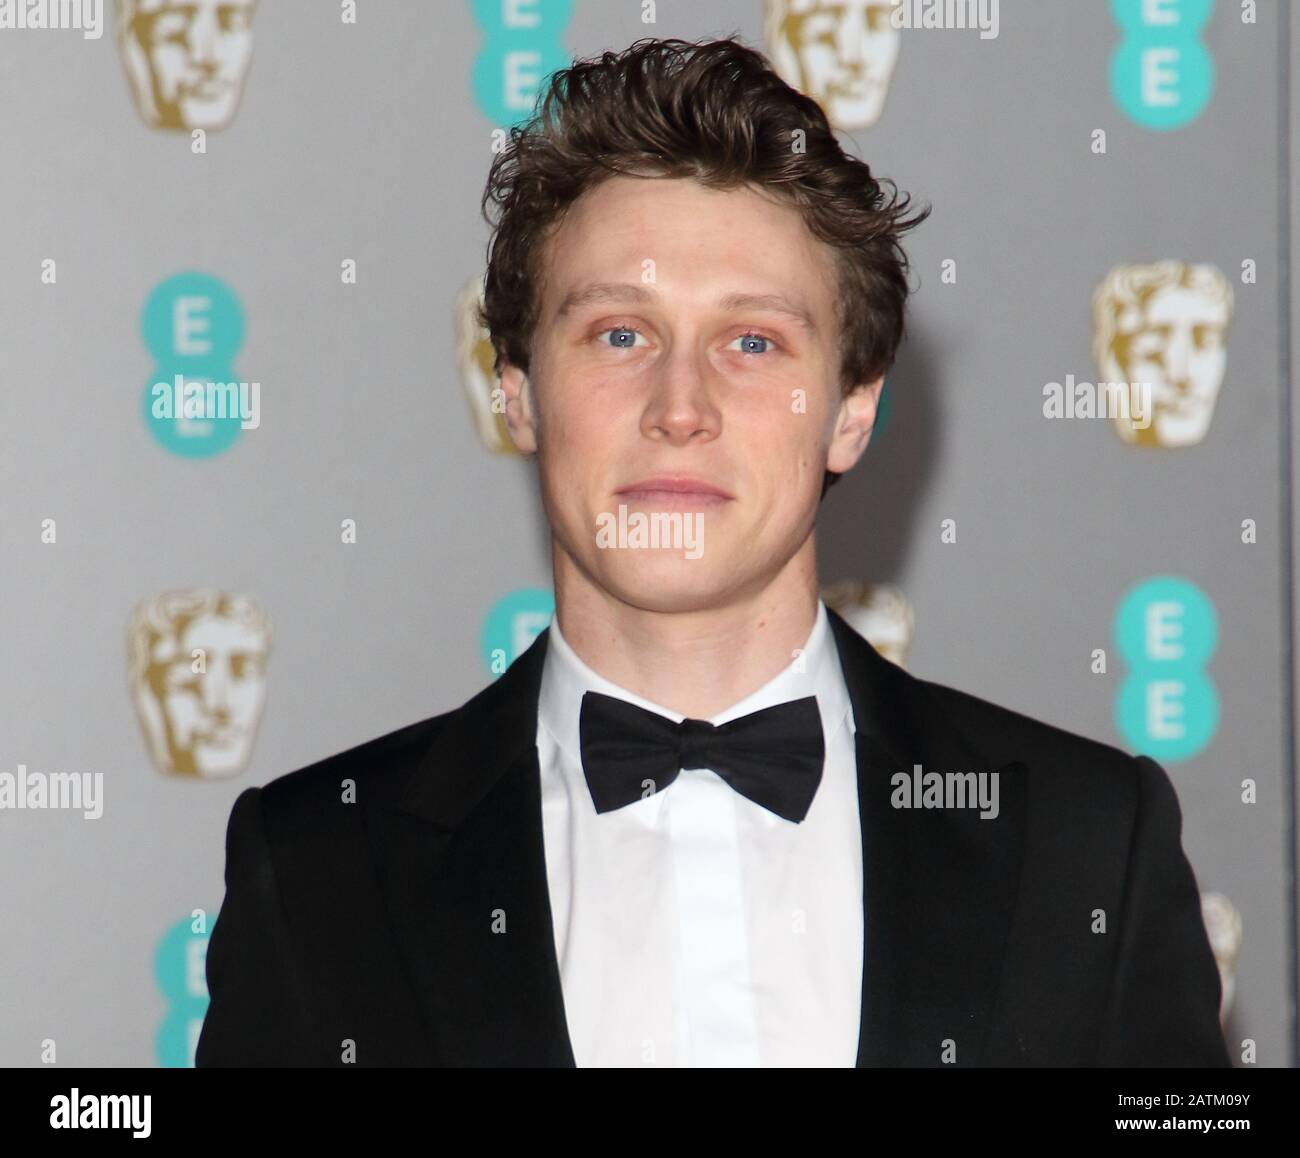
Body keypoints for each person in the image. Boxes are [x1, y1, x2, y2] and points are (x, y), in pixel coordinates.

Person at [195, 36, 1229, 1068]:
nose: (679, 407)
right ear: (514, 390)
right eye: (617, 335)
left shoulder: (1087, 849)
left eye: (751, 343)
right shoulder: (319, 868)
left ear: (851, 412)